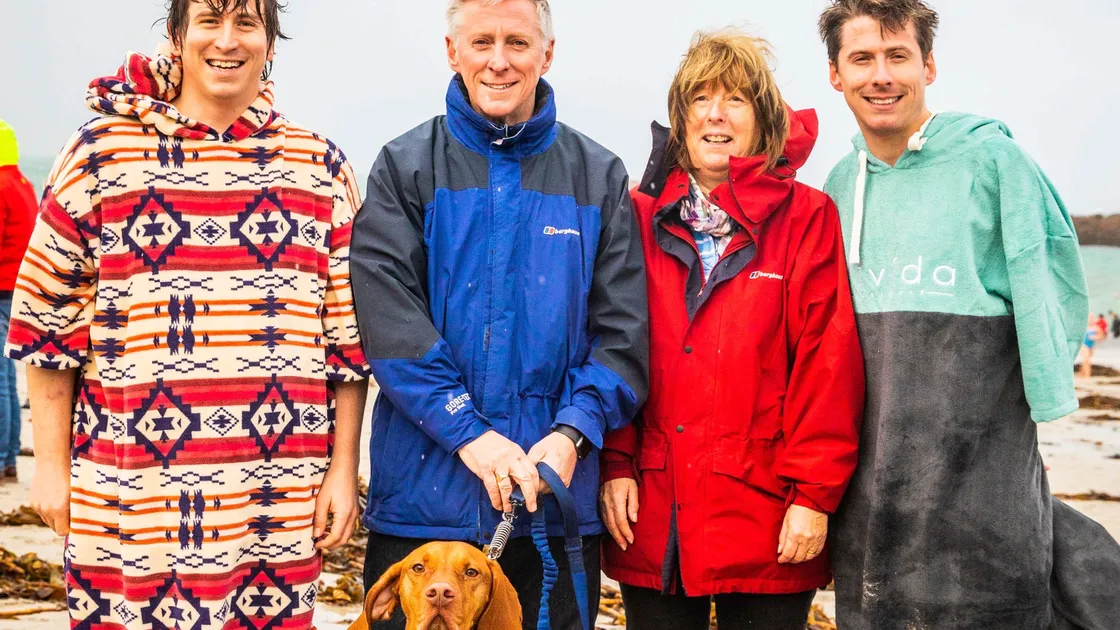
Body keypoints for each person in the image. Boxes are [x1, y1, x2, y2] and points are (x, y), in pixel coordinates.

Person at [2, 1, 370, 627]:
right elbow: (48, 323)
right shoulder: (99, 154)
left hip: (275, 497)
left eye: (247, 23)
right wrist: (52, 472)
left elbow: (348, 341)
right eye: (209, 19)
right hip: (127, 493)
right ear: (176, 35)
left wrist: (342, 471)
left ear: (271, 42)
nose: (227, 40)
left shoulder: (320, 166)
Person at [819, 0, 1120, 627]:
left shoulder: (996, 164)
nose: (881, 75)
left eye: (898, 56)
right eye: (862, 58)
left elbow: (1055, 285)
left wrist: (1050, 392)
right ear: (835, 74)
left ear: (928, 66)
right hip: (872, 503)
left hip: (985, 491)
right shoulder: (841, 184)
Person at [349, 1, 649, 628]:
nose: (499, 60)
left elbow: (623, 338)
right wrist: (471, 435)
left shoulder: (598, 176)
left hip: (551, 506)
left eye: (517, 41)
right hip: (423, 515)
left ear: (548, 52)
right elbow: (390, 324)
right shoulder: (405, 166)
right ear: (452, 50)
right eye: (481, 41)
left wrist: (570, 435)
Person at [597, 30, 864, 629]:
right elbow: (611, 345)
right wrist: (615, 463)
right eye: (700, 98)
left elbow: (829, 366)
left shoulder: (808, 216)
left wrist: (814, 498)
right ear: (680, 116)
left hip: (769, 513)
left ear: (763, 121)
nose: (716, 114)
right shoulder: (638, 215)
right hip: (653, 511)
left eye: (736, 99)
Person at [0, 119, 36, 481]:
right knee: (7, 377)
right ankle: (8, 458)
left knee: (0, 377)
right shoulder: (22, 183)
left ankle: (1, 459)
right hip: (15, 287)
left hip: (1, 288)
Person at [1080, 314, 1103, 379]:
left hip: (1091, 346)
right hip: (1083, 345)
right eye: (1090, 318)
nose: (1091, 319)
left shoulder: (1096, 328)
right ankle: (1087, 376)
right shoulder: (1084, 327)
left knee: (1087, 360)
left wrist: (1095, 337)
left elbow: (1101, 336)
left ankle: (1082, 374)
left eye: (1092, 318)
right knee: (1086, 359)